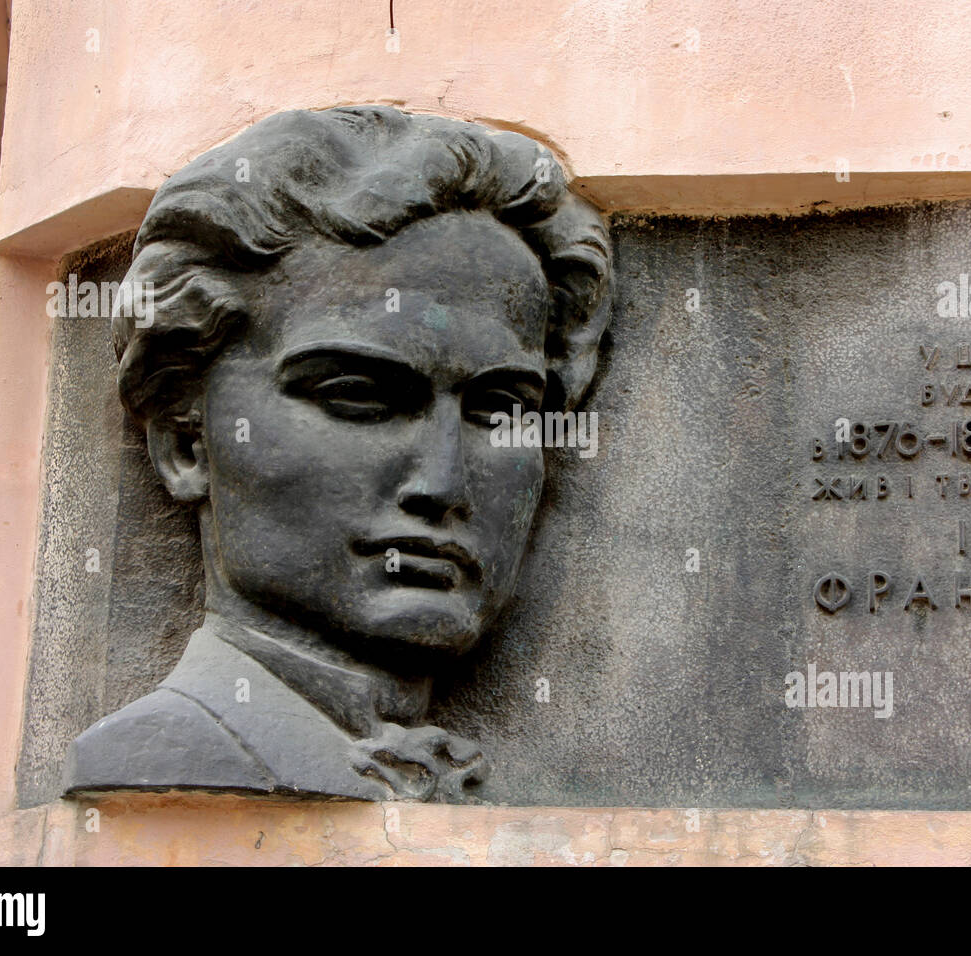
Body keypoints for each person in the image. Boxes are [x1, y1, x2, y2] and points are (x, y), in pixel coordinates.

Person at [62, 105, 611, 802]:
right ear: (185, 442)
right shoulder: (154, 761)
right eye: (359, 397)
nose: (443, 483)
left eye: (499, 412)